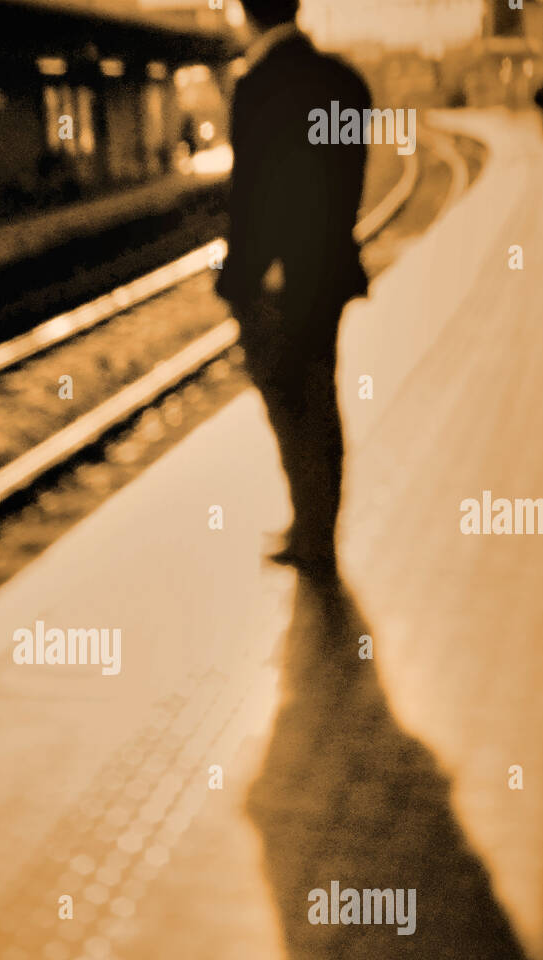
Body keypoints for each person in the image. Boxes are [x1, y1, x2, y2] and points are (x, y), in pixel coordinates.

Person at [216, 0, 371, 577]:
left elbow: (253, 194)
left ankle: (312, 533)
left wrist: (247, 275)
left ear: (245, 13)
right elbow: (347, 181)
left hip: (276, 283)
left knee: (288, 405)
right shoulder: (345, 81)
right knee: (321, 396)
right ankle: (317, 526)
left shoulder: (256, 85)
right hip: (328, 271)